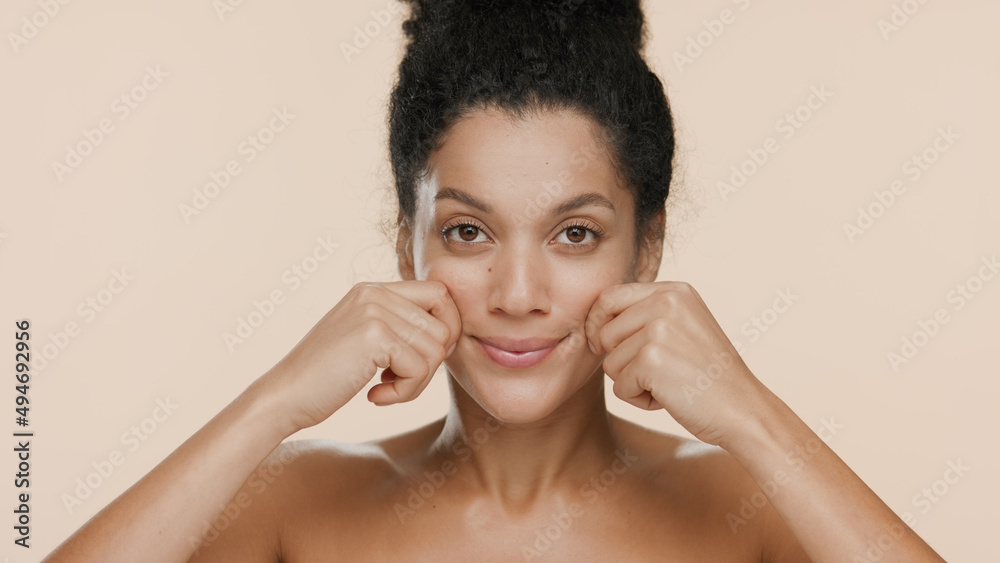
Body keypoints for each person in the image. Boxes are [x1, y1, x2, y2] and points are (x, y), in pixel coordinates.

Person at [45, 1, 946, 561]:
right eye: (468, 231)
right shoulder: (295, 508)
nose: (519, 291)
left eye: (576, 233)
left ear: (647, 252)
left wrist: (749, 412)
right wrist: (275, 401)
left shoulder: (748, 511)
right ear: (408, 249)